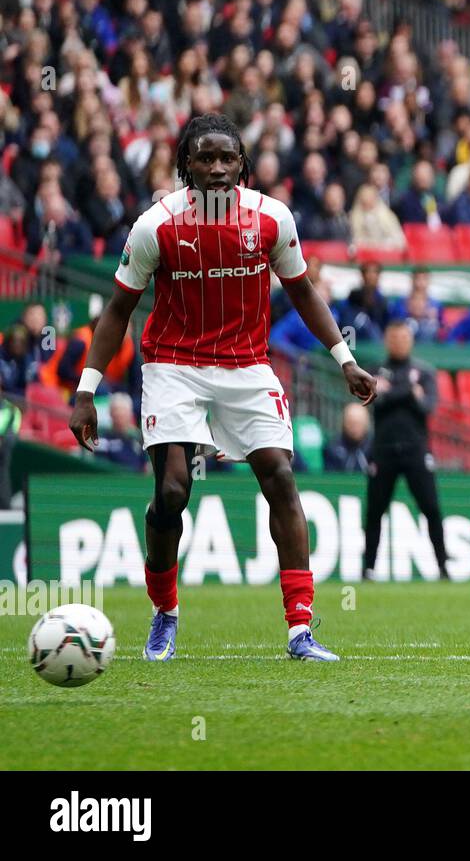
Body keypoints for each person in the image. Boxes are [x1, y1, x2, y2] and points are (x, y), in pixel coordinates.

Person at [68, 113, 376, 663]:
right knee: (171, 493)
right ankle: (165, 613)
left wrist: (344, 360)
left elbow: (303, 292)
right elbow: (119, 308)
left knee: (281, 476)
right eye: (204, 158)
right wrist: (86, 391)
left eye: (226, 158)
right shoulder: (155, 226)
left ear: (242, 165)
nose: (216, 168)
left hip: (246, 365)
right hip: (173, 364)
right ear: (186, 162)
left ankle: (299, 630)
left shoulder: (271, 220)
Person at [363, 321, 448, 580]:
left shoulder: (424, 372)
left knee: (431, 509)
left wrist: (393, 394)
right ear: (387, 341)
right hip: (383, 451)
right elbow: (375, 403)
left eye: (403, 338)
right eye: (394, 338)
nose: (399, 343)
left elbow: (427, 407)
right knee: (375, 511)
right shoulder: (375, 371)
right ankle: (368, 569)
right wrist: (409, 393)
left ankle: (443, 567)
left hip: (416, 451)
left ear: (410, 341)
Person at [95, 393, 148, 471]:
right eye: (116, 411)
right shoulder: (103, 440)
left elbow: (146, 465)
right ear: (110, 413)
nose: (120, 415)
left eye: (123, 412)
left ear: (130, 414)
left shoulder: (139, 439)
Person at [324, 401, 372, 473]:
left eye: (358, 423)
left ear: (366, 424)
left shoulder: (375, 449)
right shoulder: (332, 449)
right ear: (343, 423)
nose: (355, 428)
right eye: (351, 423)